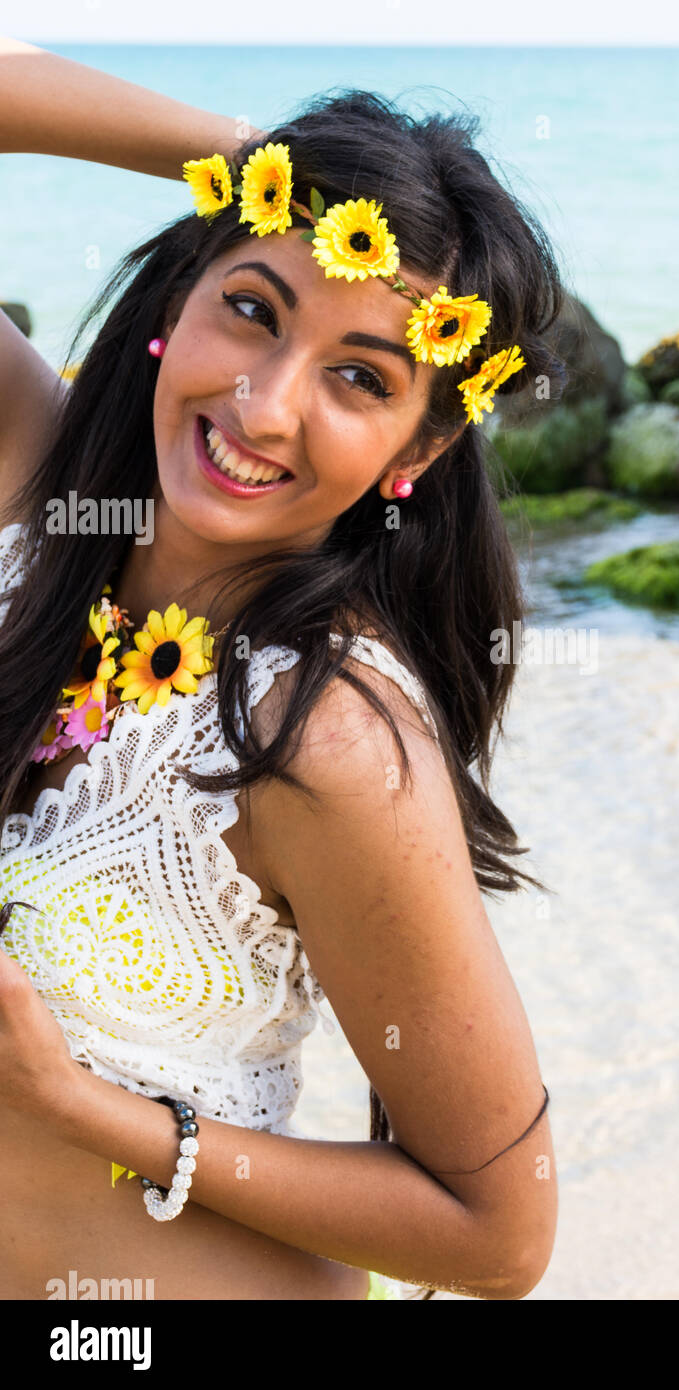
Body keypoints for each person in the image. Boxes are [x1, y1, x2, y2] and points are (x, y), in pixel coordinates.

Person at [0, 37, 562, 1301]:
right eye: (252, 306)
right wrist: (252, 165)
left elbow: (501, 1236)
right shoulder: (37, 511)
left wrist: (92, 1114)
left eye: (359, 377)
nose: (261, 406)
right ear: (176, 305)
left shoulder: (324, 737)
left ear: (415, 448)